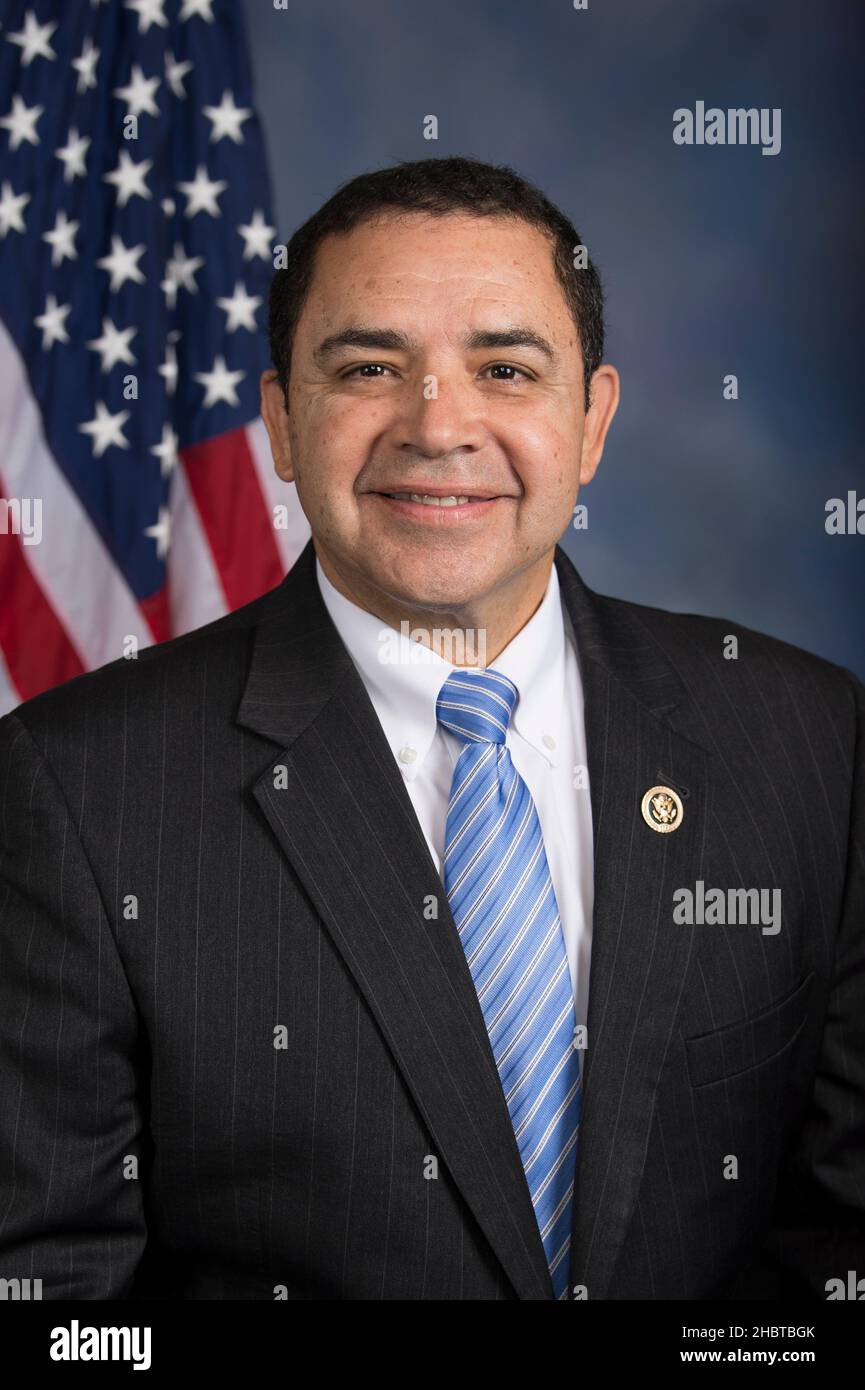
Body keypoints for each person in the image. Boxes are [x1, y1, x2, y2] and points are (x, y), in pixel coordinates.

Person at [0, 157, 862, 1301]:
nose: (437, 424)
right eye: (369, 367)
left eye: (504, 367)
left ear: (592, 420)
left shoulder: (810, 739)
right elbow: (55, 1298)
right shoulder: (79, 784)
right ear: (282, 422)